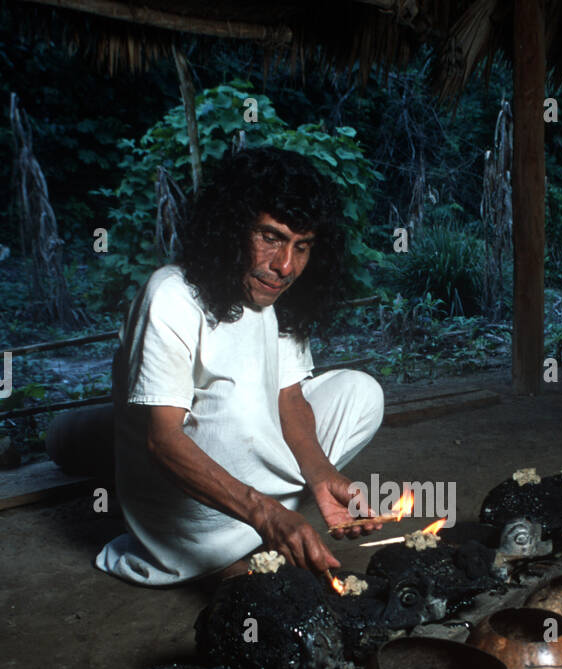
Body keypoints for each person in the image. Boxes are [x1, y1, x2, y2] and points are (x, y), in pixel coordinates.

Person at [96, 148, 385, 586]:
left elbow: (289, 397)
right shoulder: (170, 294)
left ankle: (270, 526)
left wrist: (323, 476)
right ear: (230, 229)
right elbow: (161, 440)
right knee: (241, 400)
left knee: (361, 392)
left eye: (301, 246)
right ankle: (241, 543)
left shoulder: (275, 293)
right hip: (186, 525)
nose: (285, 266)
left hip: (253, 496)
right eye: (271, 237)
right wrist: (265, 514)